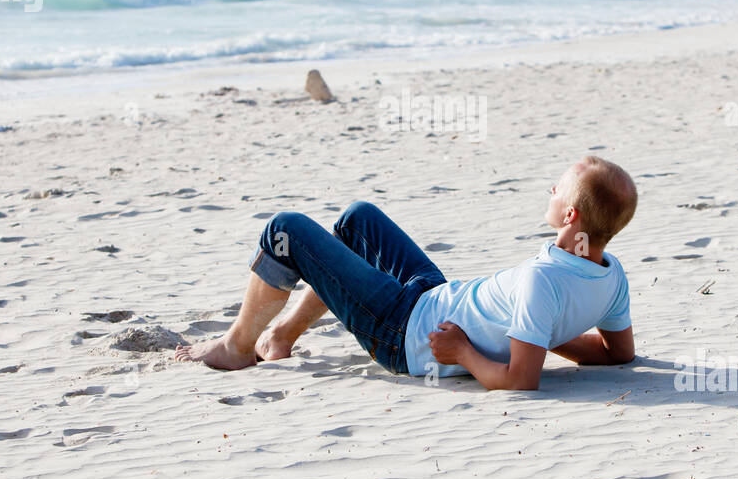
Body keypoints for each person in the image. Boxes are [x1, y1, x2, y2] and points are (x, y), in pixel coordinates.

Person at [175, 156, 638, 391]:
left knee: (285, 230)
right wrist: (540, 332)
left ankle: (237, 347)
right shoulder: (611, 275)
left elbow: (521, 381)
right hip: (432, 297)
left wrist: (464, 354)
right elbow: (617, 354)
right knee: (359, 218)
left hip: (405, 334)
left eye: (560, 187)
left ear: (571, 216)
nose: (552, 188)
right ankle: (281, 338)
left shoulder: (544, 281)